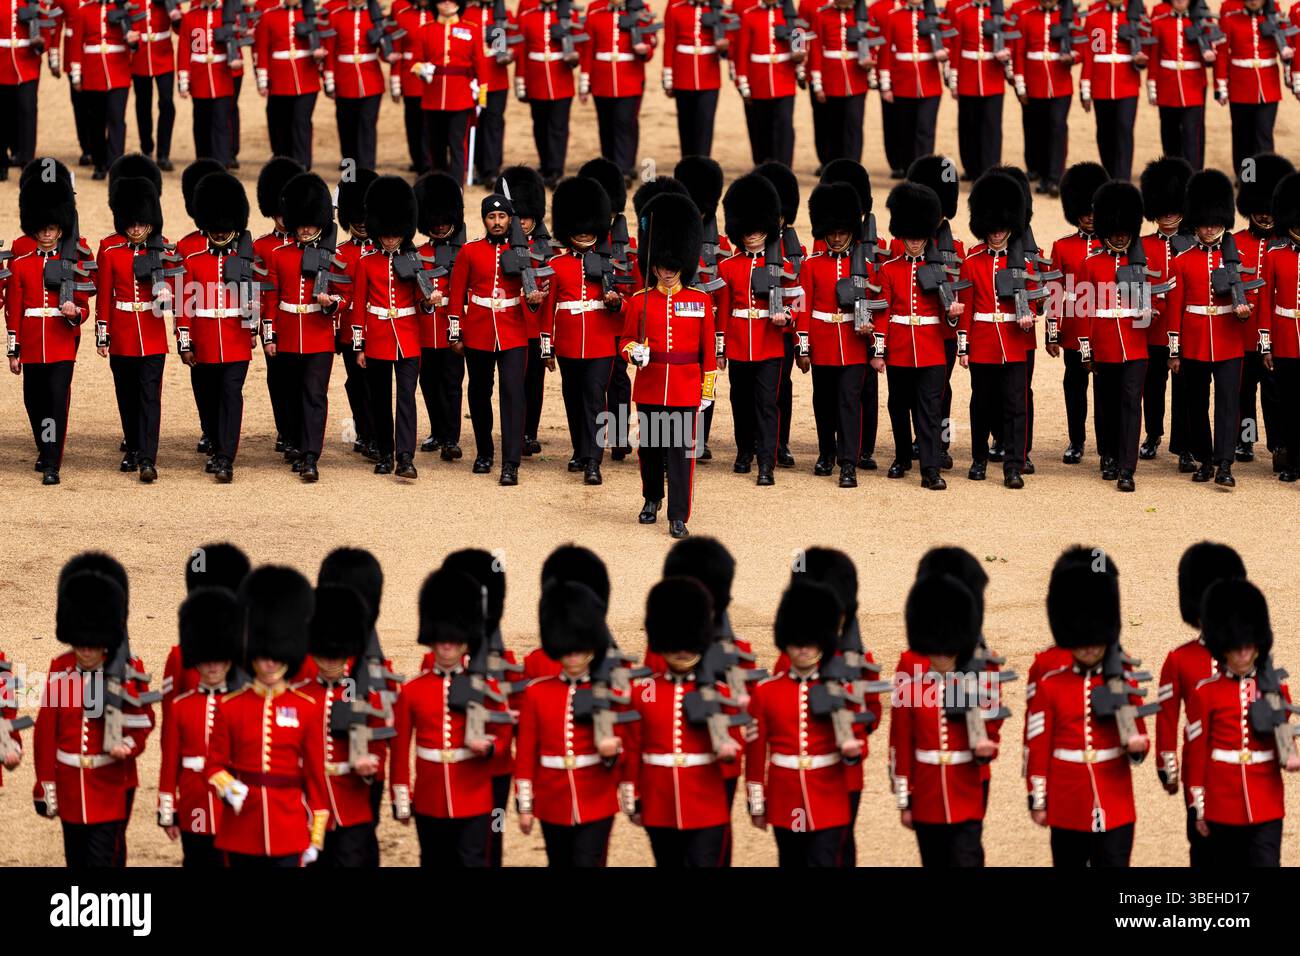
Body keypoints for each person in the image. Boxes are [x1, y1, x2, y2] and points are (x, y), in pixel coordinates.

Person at [1025, 546, 1149, 867]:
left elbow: (1140, 735)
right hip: (1068, 802)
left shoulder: (1122, 673)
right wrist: (1038, 798)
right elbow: (1037, 744)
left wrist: (1137, 747)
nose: (1091, 645)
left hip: (1114, 799)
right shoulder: (1052, 681)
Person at [33, 560, 154, 866]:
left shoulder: (128, 669)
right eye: (80, 644)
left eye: (92, 644)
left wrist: (127, 745)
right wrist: (46, 782)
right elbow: (46, 731)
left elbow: (143, 721)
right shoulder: (61, 669)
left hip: (111, 785)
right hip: (72, 787)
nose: (85, 651)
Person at [207, 565, 329, 867]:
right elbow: (213, 764)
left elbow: (315, 777)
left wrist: (315, 837)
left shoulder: (307, 708)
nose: (270, 663)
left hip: (288, 827)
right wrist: (229, 787)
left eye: (276, 656)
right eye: (263, 656)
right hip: (242, 826)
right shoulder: (230, 706)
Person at [390, 567, 510, 867]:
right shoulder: (412, 690)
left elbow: (505, 733)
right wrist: (401, 796)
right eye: (442, 639)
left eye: (454, 640)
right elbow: (400, 748)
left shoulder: (486, 687)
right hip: (430, 798)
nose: (447, 646)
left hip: (474, 797)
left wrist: (491, 747)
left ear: (466, 642)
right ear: (431, 640)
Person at [623, 576, 739, 866]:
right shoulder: (643, 691)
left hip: (707, 803)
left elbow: (740, 740)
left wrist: (730, 749)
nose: (682, 651)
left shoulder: (721, 693)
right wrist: (632, 795)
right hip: (658, 802)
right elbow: (634, 747)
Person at [747, 578, 861, 867]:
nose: (803, 650)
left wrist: (850, 751)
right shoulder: (766, 691)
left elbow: (859, 736)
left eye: (810, 643)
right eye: (797, 643)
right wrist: (757, 802)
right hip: (785, 798)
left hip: (829, 798)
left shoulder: (841, 689)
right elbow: (756, 750)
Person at [1185, 578, 1298, 867]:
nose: (1245, 654)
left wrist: (1290, 753)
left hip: (1267, 801)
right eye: (1236, 648)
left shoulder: (1277, 689)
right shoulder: (1207, 692)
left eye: (1249, 646)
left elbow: (1283, 735)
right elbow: (1197, 752)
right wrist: (1198, 807)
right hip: (1223, 804)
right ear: (1222, 648)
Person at [621, 192, 716, 538]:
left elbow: (708, 351)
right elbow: (624, 341)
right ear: (655, 263)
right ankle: (651, 498)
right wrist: (634, 352)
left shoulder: (700, 301)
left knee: (680, 455)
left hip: (685, 387)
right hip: (650, 384)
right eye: (662, 265)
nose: (667, 270)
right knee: (649, 450)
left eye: (673, 265)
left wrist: (707, 390)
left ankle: (678, 514)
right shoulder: (639, 301)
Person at [514, 580, 626, 867]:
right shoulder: (537, 692)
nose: (573, 656)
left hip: (597, 797)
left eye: (579, 649)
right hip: (552, 799)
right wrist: (525, 805)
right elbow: (526, 752)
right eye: (567, 649)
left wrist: (615, 754)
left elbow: (632, 744)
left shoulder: (609, 691)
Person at [892, 572, 994, 866]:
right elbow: (902, 738)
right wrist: (904, 796)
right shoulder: (913, 675)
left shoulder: (979, 669)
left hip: (967, 783)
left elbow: (993, 723)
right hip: (927, 791)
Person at [1155, 541, 1245, 867]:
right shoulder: (1182, 659)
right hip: (1201, 778)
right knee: (1205, 856)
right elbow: (1167, 716)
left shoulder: (1252, 658)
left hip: (1247, 776)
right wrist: (1168, 764)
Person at [446, 190, 540, 485]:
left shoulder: (524, 250)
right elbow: (455, 295)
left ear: (509, 219)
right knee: (479, 393)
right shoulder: (470, 251)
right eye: (491, 216)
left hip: (513, 331)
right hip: (479, 331)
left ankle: (510, 463)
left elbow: (534, 294)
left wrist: (535, 298)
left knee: (513, 395)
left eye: (501, 216)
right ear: (484, 219)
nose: (497, 222)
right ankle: (484, 452)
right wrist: (454, 333)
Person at [1164, 167, 1249, 487]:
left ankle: (1225, 462)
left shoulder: (1235, 259)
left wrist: (1243, 314)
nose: (1211, 228)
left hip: (1228, 341)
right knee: (1196, 405)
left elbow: (1248, 302)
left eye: (1216, 222)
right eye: (1205, 222)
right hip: (1195, 341)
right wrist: (1174, 350)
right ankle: (1205, 459)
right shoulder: (1183, 260)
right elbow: (1175, 309)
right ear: (1196, 223)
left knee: (1228, 403)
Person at [7, 170, 93, 485]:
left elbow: (84, 304)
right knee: (34, 400)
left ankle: (52, 460)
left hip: (59, 341)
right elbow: (14, 310)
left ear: (60, 230)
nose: (47, 234)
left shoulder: (72, 261)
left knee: (57, 399)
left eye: (52, 228)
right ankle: (44, 447)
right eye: (42, 229)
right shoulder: (21, 263)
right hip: (31, 342)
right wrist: (13, 350)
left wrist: (74, 313)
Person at [956, 171, 1037, 488]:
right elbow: (968, 306)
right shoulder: (973, 261)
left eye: (1002, 227)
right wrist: (964, 346)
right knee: (982, 403)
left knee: (1016, 405)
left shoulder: (1025, 263)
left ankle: (1014, 466)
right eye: (992, 227)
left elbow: (1038, 301)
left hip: (1016, 343)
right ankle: (978, 459)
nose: (997, 233)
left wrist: (1031, 312)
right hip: (983, 341)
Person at [353, 175, 436, 479]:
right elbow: (359, 306)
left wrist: (430, 301)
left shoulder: (414, 260)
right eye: (385, 234)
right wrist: (359, 346)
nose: (389, 239)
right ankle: (385, 453)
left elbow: (422, 300)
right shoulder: (366, 263)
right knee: (379, 399)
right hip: (376, 337)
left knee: (406, 398)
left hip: (408, 338)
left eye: (394, 233)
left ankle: (405, 456)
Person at [296, 584, 386, 867]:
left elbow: (380, 746)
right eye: (323, 655)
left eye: (336, 655)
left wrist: (370, 768)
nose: (330, 662)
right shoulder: (300, 695)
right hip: (310, 808)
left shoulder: (364, 694)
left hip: (351, 806)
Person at [543, 175, 624, 485]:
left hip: (602, 342)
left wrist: (615, 303)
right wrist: (546, 347)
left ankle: (594, 459)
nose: (584, 232)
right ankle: (579, 450)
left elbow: (628, 306)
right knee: (573, 396)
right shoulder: (557, 264)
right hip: (568, 342)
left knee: (594, 398)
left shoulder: (610, 263)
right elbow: (547, 310)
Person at [264, 173, 344, 482]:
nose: (307, 228)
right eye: (302, 222)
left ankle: (311, 455)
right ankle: (297, 445)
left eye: (312, 222)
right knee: (291, 394)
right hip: (286, 333)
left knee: (314, 394)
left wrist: (332, 303)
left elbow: (345, 298)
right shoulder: (279, 255)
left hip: (318, 333)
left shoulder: (332, 258)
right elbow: (270, 300)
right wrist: (269, 336)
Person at [178, 172, 257, 484]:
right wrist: (185, 341)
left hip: (236, 337)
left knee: (230, 393)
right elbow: (184, 303)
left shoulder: (245, 252)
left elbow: (255, 291)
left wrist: (254, 328)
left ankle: (226, 457)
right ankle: (213, 440)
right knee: (208, 395)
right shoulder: (192, 253)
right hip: (204, 338)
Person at [874, 181, 953, 489]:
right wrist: (879, 352)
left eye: (920, 236)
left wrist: (952, 314)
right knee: (898, 404)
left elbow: (948, 314)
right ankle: (902, 455)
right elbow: (883, 313)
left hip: (932, 348)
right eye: (910, 236)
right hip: (901, 348)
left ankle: (931, 469)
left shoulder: (941, 268)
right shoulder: (890, 269)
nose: (915, 242)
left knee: (930, 410)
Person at [158, 586, 241, 867]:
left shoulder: (242, 703)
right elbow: (171, 757)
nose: (213, 667)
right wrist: (167, 806)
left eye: (219, 661)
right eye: (206, 661)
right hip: (194, 796)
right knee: (196, 859)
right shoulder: (182, 706)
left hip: (232, 798)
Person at [715, 173, 789, 485]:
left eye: (758, 229)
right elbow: (723, 310)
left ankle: (766, 462)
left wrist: (786, 317)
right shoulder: (728, 266)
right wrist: (721, 348)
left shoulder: (782, 263)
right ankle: (744, 450)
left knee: (766, 403)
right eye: (746, 231)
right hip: (738, 341)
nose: (752, 235)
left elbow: (796, 302)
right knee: (740, 400)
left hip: (770, 342)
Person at [96, 176, 170, 483]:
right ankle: (134, 447)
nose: (137, 229)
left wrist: (168, 292)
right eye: (131, 223)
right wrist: (103, 333)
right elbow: (104, 294)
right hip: (123, 333)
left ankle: (148, 458)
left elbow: (181, 288)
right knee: (126, 395)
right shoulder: (110, 249)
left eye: (142, 223)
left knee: (149, 396)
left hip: (152, 334)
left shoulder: (164, 249)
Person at [1079, 180, 1152, 492]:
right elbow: (1081, 308)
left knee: (1131, 403)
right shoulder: (1092, 263)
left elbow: (1156, 298)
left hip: (1135, 346)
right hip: (1105, 344)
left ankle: (1127, 467)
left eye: (1126, 230)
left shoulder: (1142, 259)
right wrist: (1086, 349)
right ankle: (1108, 454)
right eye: (1116, 229)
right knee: (1107, 403)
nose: (1121, 235)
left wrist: (1150, 311)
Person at [796, 182, 869, 488]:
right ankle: (827, 452)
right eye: (832, 232)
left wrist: (875, 343)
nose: (837, 238)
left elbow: (876, 305)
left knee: (849, 401)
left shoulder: (864, 265)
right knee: (824, 402)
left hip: (853, 345)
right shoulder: (811, 265)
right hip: (823, 342)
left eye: (843, 232)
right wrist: (803, 346)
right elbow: (803, 307)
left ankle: (848, 463)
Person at [1232, 152, 1293, 467]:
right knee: (1244, 393)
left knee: (1275, 394)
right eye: (1259, 210)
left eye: (1271, 211)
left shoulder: (1286, 246)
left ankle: (1279, 444)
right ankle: (1245, 442)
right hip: (1241, 334)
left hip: (1277, 336)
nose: (1266, 217)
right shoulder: (1235, 243)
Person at [1048, 161, 1108, 465]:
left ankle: (1105, 447)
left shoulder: (1113, 247)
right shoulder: (1063, 247)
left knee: (1104, 391)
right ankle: (1076, 440)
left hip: (1103, 329)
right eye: (1084, 211)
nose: (1089, 217)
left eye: (1094, 211)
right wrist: (1052, 332)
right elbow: (1055, 292)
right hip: (1073, 330)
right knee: (1074, 387)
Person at [1137, 155, 1193, 465]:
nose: (1168, 215)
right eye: (1162, 210)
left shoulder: (1194, 245)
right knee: (1152, 387)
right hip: (1153, 330)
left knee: (1184, 391)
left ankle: (1183, 445)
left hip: (1185, 330)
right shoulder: (1143, 246)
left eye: (1174, 209)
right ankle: (1153, 432)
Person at [252, 155, 304, 461]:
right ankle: (285, 430)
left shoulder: (309, 244)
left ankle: (299, 432)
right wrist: (262, 328)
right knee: (278, 378)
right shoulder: (261, 246)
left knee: (302, 379)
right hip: (272, 322)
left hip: (302, 320)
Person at [497, 165, 550, 458]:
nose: (524, 223)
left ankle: (530, 431)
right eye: (520, 217)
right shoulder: (500, 244)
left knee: (534, 381)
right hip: (508, 322)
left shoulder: (547, 246)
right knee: (512, 383)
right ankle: (514, 432)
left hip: (536, 324)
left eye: (528, 217)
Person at [413, 171, 467, 460]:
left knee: (452, 383)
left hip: (452, 326)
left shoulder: (465, 252)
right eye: (434, 222)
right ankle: (437, 430)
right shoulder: (418, 253)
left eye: (444, 221)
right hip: (424, 328)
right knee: (429, 383)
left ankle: (451, 438)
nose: (439, 226)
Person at [580, 0, 655, 180]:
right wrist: (585, 80)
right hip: (602, 79)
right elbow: (588, 48)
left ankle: (624, 169)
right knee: (605, 125)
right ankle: (610, 166)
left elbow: (650, 40)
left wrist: (645, 50)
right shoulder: (595, 9)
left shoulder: (641, 9)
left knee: (624, 122)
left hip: (629, 77)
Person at [411, 0, 484, 183]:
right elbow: (416, 60)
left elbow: (480, 64)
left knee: (457, 145)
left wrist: (481, 93)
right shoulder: (425, 29)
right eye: (442, 0)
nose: (447, 4)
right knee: (436, 147)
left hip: (460, 96)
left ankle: (457, 186)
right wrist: (421, 69)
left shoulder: (472, 29)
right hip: (433, 96)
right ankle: (439, 186)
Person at [334, 166, 379, 460]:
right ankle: (364, 432)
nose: (361, 224)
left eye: (366, 218)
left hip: (382, 328)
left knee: (376, 384)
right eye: (356, 218)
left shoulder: (385, 251)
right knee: (357, 382)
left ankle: (376, 435)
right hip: (351, 329)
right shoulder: (338, 253)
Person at [1214, 0, 1289, 178]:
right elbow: (1222, 53)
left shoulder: (1274, 18)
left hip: (1268, 86)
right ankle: (1248, 179)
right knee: (1243, 139)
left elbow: (1286, 47)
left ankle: (1265, 180)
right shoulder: (1231, 19)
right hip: (1241, 87)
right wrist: (1221, 84)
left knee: (1264, 135)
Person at [1012, 0, 1079, 194]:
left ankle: (1055, 178)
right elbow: (1019, 54)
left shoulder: (1068, 16)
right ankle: (1043, 175)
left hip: (1060, 85)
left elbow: (1082, 48)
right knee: (1039, 131)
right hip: (1035, 85)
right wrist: (1020, 85)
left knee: (1058, 127)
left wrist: (1072, 56)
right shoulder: (1027, 17)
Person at [1259, 170, 1300, 481]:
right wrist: (1266, 344)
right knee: (1288, 403)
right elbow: (1265, 303)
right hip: (1285, 338)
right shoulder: (1275, 255)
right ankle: (1292, 461)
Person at [515, 0, 582, 186]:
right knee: (540, 125)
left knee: (558, 128)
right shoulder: (527, 16)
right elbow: (522, 51)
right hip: (536, 80)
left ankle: (556, 169)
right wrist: (520, 79)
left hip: (561, 79)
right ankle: (545, 166)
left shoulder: (570, 15)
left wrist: (575, 56)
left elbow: (580, 45)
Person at [1079, 0, 1146, 181]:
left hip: (1127, 83)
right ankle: (1110, 175)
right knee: (1105, 131)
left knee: (1125, 129)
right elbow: (1093, 52)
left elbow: (1146, 43)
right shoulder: (1095, 14)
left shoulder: (1136, 12)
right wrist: (1086, 86)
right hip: (1102, 84)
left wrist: (1142, 57)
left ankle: (1123, 178)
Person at [324, 0, 394, 170]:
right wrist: (329, 79)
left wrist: (384, 45)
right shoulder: (337, 16)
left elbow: (386, 54)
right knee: (347, 125)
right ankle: (350, 170)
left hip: (370, 79)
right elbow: (330, 50)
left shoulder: (376, 16)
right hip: (344, 79)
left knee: (367, 125)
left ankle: (367, 170)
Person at [253, 0, 324, 168]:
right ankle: (284, 162)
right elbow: (262, 49)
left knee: (302, 121)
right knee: (282, 123)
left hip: (306, 78)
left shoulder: (313, 15)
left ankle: (303, 163)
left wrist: (321, 57)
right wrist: (263, 79)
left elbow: (325, 41)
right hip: (280, 80)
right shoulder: (269, 16)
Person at [66, 0, 133, 178]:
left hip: (118, 71)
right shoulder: (83, 12)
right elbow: (76, 45)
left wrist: (134, 39)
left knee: (117, 119)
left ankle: (116, 163)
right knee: (96, 121)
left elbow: (134, 39)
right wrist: (77, 74)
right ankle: (99, 163)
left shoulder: (123, 9)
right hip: (93, 73)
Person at [876, 0, 944, 172]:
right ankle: (908, 169)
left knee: (925, 129)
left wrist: (945, 53)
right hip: (902, 84)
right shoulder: (893, 17)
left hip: (929, 82)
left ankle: (924, 170)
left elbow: (949, 42)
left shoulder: (935, 15)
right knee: (905, 131)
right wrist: (885, 85)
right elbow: (885, 53)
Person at [949, 0, 1011, 181]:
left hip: (992, 78)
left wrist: (1006, 55)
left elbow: (1011, 42)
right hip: (968, 79)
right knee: (969, 126)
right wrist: (954, 80)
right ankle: (972, 168)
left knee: (992, 127)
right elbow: (956, 49)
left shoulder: (1001, 14)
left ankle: (991, 170)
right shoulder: (962, 13)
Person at [1146, 0, 1212, 170]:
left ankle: (1194, 176)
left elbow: (1213, 46)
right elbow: (1154, 55)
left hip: (1193, 84)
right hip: (1167, 85)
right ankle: (1172, 175)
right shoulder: (1160, 19)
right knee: (1169, 134)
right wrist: (1152, 84)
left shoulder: (1201, 18)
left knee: (1192, 134)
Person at [734, 0, 801, 166]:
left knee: (785, 124)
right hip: (759, 80)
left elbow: (799, 49)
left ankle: (785, 165)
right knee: (761, 126)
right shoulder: (749, 15)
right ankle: (763, 163)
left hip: (784, 78)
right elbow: (742, 52)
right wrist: (743, 81)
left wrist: (799, 56)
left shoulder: (791, 16)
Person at [806, 0, 873, 164]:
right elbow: (815, 48)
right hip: (831, 79)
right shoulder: (820, 14)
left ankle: (853, 165)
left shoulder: (864, 15)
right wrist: (817, 82)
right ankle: (832, 165)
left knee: (854, 125)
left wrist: (871, 61)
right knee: (832, 127)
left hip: (856, 79)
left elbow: (874, 42)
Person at [177, 0, 239, 168]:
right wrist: (184, 80)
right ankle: (203, 163)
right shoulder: (190, 17)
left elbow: (237, 40)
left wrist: (236, 58)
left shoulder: (228, 14)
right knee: (201, 123)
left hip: (221, 76)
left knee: (222, 123)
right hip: (200, 78)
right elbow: (184, 49)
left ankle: (222, 162)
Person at [0, 0, 57, 179]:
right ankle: (2, 163)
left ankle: (27, 162)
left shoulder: (36, 2)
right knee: (3, 113)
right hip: (2, 64)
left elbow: (46, 32)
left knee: (27, 111)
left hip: (27, 65)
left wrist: (41, 44)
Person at [662, 0, 726, 157]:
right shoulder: (675, 7)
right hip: (683, 75)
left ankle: (703, 164)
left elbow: (730, 39)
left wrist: (725, 48)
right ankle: (687, 164)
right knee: (686, 125)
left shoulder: (718, 6)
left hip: (708, 75)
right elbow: (669, 42)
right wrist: (668, 75)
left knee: (705, 125)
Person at [461, 0, 513, 183]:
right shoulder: (466, 13)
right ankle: (473, 166)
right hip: (472, 79)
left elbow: (516, 42)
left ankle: (491, 170)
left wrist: (510, 54)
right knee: (472, 124)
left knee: (494, 124)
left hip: (497, 81)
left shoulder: (505, 14)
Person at [128, 0, 177, 170]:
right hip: (140, 57)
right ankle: (147, 149)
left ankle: (164, 154)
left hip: (164, 57)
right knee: (143, 105)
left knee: (167, 103)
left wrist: (176, 16)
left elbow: (178, 28)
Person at [394, 0, 435, 174]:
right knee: (413, 121)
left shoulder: (437, 14)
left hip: (435, 76)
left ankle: (429, 162)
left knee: (431, 123)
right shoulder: (402, 14)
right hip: (410, 76)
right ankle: (418, 159)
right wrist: (395, 80)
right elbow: (396, 49)